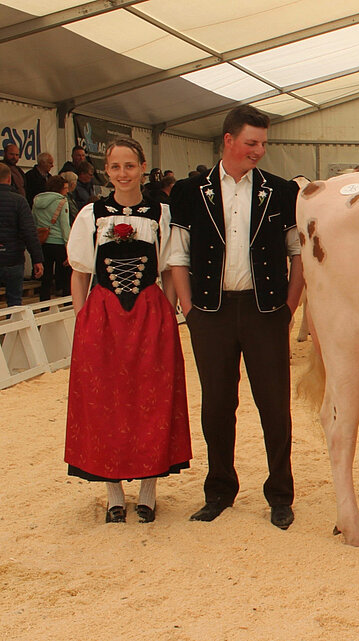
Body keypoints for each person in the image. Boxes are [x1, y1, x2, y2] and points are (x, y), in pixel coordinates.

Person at [168, 104, 303, 530]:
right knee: (217, 406)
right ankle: (220, 490)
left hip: (266, 312)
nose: (259, 151)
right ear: (228, 140)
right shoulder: (190, 193)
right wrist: (190, 311)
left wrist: (289, 307)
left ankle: (280, 494)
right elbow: (177, 255)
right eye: (251, 143)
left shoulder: (282, 191)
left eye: (263, 143)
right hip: (211, 311)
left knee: (275, 407)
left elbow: (298, 254)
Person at [63, 138, 191, 524]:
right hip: (102, 315)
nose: (122, 174)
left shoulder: (161, 213)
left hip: (149, 312)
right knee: (106, 400)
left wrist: (168, 313)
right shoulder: (92, 213)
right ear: (108, 171)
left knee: (151, 396)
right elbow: (80, 272)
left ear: (142, 166)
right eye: (116, 167)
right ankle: (114, 492)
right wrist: (82, 318)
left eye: (130, 166)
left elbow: (169, 269)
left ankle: (149, 490)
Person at [0, 163, 43, 306]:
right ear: (9, 179)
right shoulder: (19, 201)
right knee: (14, 301)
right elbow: (29, 233)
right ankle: (15, 328)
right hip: (14, 259)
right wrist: (37, 259)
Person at [32, 175, 73, 300]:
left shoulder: (37, 201)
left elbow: (33, 221)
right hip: (59, 242)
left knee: (46, 276)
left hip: (43, 242)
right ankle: (66, 304)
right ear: (59, 188)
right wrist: (69, 247)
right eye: (65, 188)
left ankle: (44, 304)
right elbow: (65, 226)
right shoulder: (62, 201)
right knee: (65, 276)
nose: (67, 191)